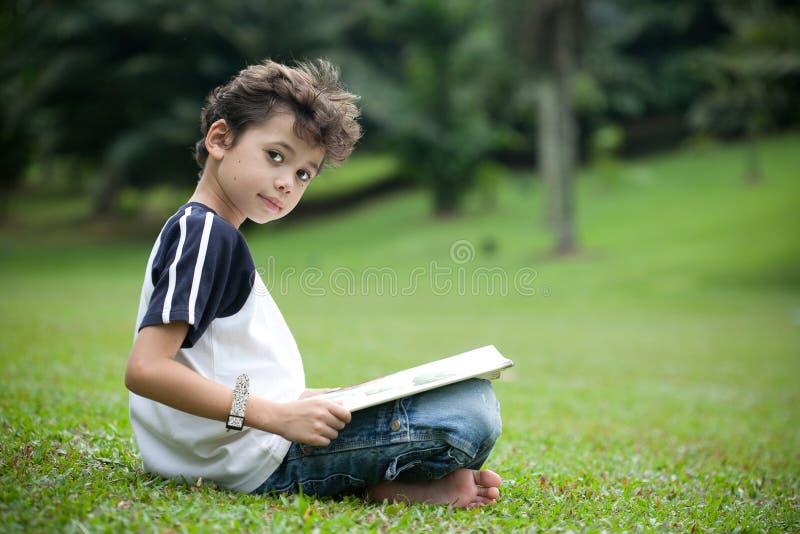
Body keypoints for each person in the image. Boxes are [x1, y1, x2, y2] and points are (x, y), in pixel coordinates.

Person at [124, 59, 503, 508]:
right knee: (469, 410)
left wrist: (309, 399)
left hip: (240, 445)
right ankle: (380, 485)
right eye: (276, 156)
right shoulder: (205, 234)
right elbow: (147, 370)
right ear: (221, 139)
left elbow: (220, 369)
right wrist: (278, 416)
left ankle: (384, 484)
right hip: (248, 457)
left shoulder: (213, 235)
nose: (287, 183)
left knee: (459, 398)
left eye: (304, 173)